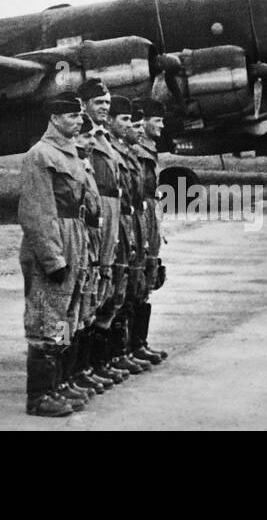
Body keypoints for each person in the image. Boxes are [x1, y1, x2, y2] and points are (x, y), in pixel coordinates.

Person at [17, 95, 101, 417]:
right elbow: (36, 213)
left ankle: (60, 383)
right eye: (71, 116)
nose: (79, 121)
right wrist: (53, 259)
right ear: (53, 118)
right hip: (54, 243)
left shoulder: (72, 155)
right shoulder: (39, 156)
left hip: (75, 240)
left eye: (80, 115)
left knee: (67, 318)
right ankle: (39, 397)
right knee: (46, 322)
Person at [76, 79, 131, 387]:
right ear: (83, 105)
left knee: (107, 284)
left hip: (112, 214)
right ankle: (81, 370)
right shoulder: (81, 139)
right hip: (94, 217)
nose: (105, 108)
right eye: (99, 103)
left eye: (107, 103)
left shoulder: (104, 138)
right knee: (88, 289)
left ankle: (98, 362)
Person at [106, 95, 153, 375]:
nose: (137, 127)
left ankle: (118, 353)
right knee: (74, 313)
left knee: (126, 292)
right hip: (100, 232)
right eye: (126, 120)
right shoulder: (43, 156)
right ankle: (55, 379)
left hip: (125, 228)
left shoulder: (128, 152)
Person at [129, 98, 169, 362]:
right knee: (132, 283)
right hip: (138, 222)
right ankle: (124, 349)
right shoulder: (135, 151)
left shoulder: (149, 150)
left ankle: (137, 344)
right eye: (158, 120)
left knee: (147, 282)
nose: (162, 126)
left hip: (150, 221)